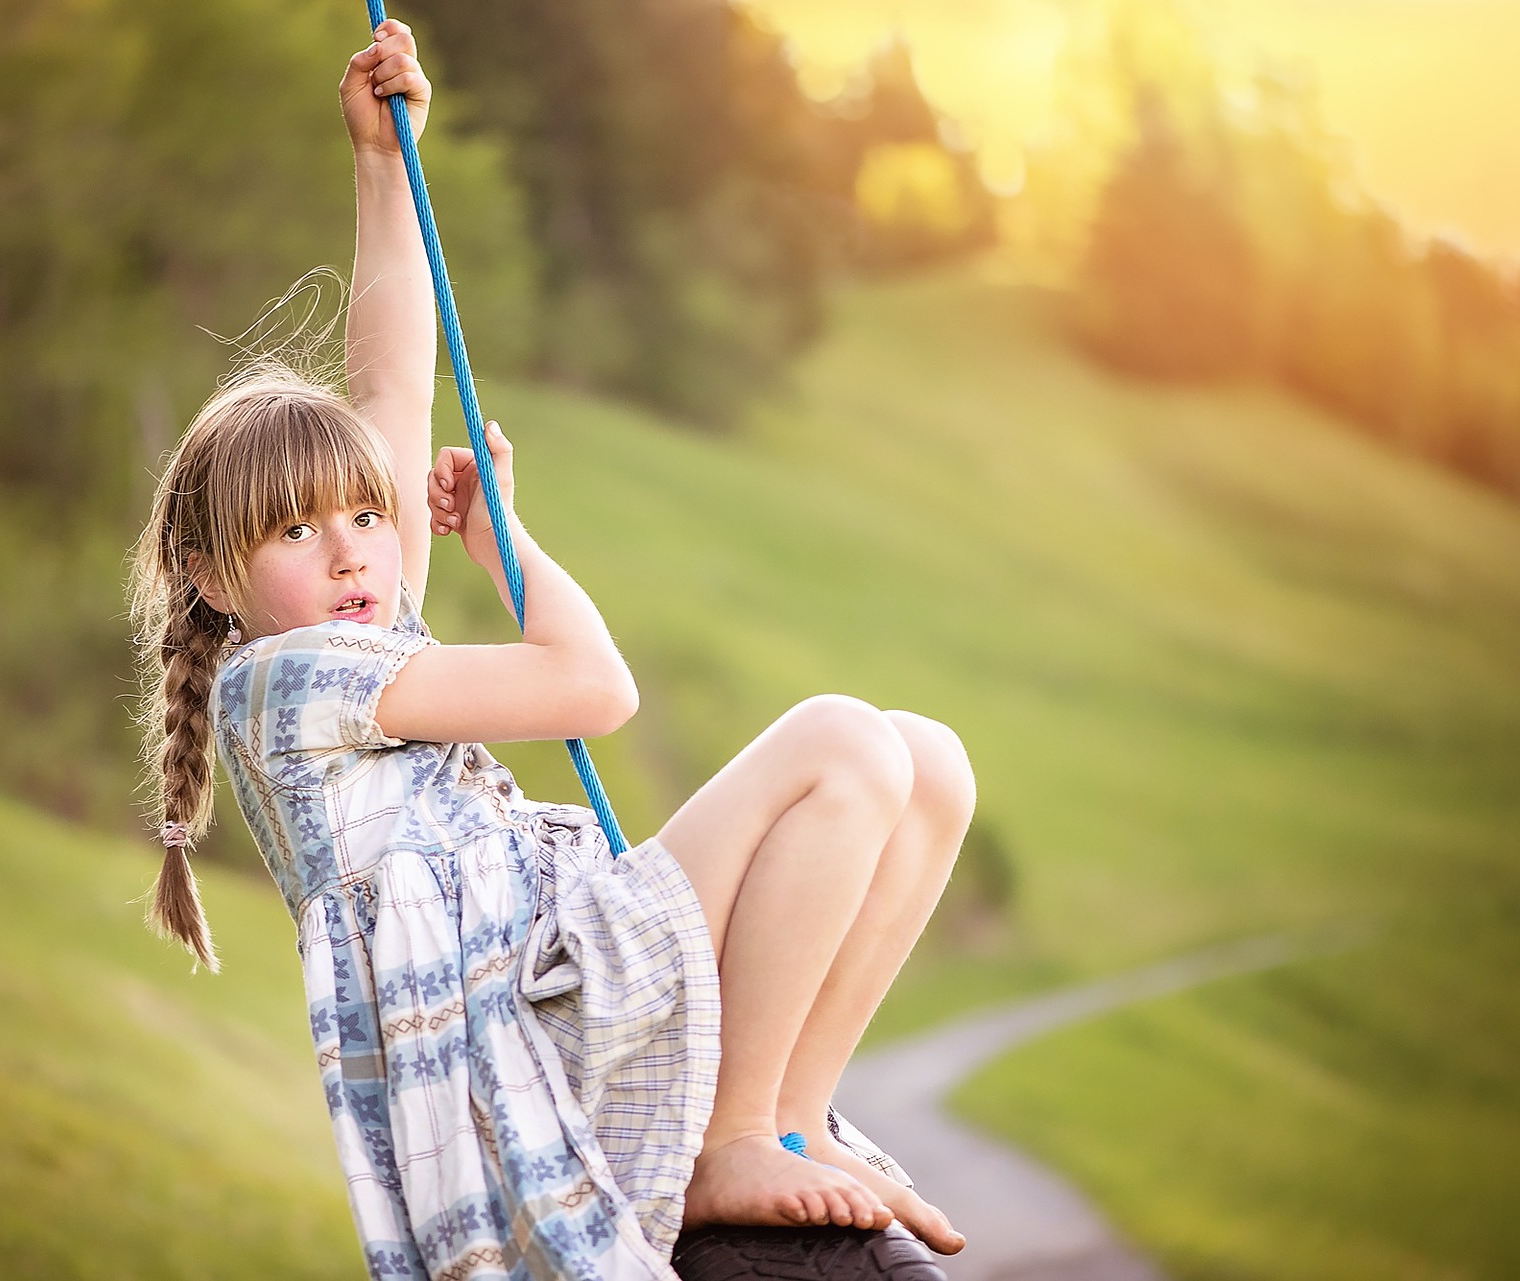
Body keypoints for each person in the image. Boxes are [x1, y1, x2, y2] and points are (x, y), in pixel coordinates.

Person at [128, 20, 975, 1281]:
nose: (358, 549)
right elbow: (597, 688)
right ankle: (730, 1138)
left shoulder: (349, 616)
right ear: (213, 578)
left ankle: (790, 1115)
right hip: (537, 1019)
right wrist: (506, 548)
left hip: (568, 967)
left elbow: (387, 385)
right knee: (843, 743)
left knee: (930, 767)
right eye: (299, 533)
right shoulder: (292, 680)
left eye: (367, 514)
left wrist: (377, 165)